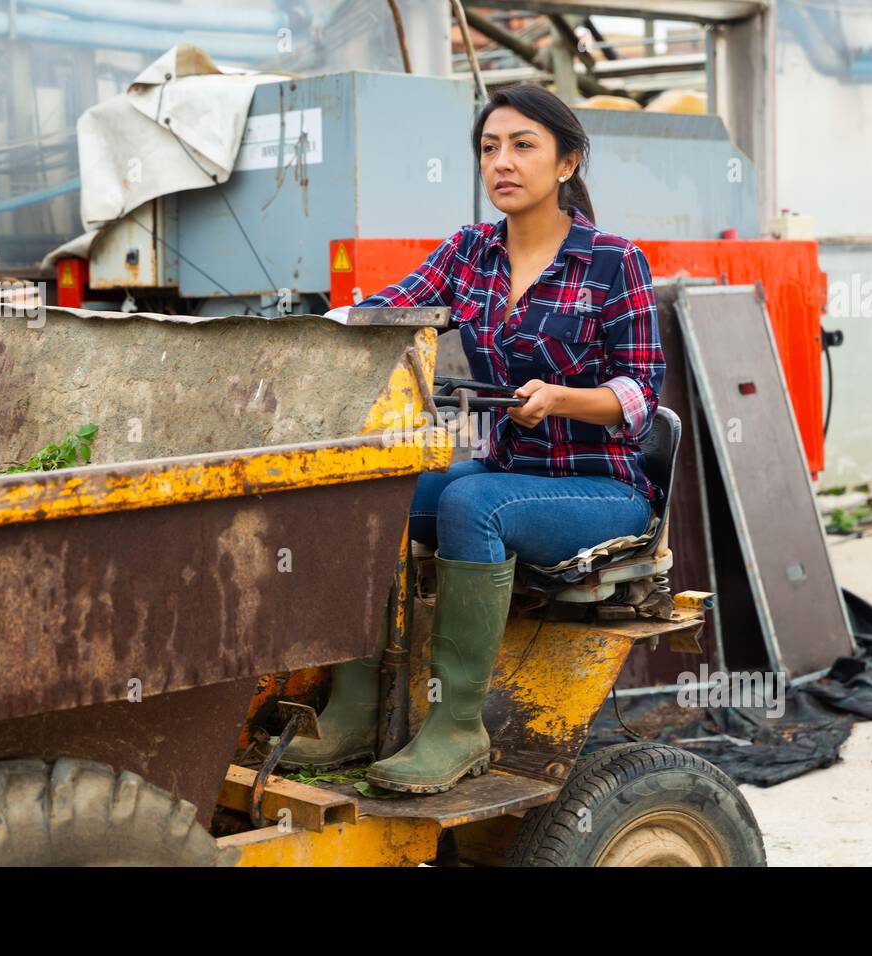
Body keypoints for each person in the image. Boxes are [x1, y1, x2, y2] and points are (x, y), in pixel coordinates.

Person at [276, 83, 665, 794]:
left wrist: (562, 399)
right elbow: (385, 312)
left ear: (568, 162)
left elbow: (642, 392)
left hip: (598, 489)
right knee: (376, 489)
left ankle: (457, 728)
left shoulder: (612, 262)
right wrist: (305, 334)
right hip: (505, 472)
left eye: (523, 146)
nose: (502, 163)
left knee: (472, 503)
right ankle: (358, 707)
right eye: (490, 149)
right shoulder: (471, 252)